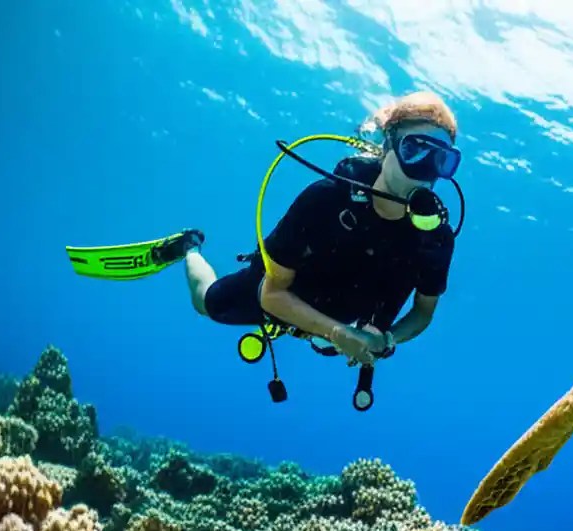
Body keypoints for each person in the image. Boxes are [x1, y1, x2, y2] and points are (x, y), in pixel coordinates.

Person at [164, 91, 462, 366]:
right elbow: (271, 294)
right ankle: (189, 248)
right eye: (415, 150)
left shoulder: (435, 239)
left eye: (441, 159)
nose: (426, 171)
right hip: (282, 291)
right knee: (207, 303)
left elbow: (423, 312)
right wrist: (335, 332)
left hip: (342, 314)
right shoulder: (325, 199)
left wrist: (388, 338)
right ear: (387, 145)